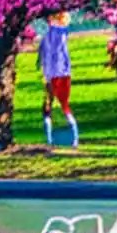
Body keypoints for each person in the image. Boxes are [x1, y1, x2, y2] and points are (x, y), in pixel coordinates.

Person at [38, 11, 78, 148]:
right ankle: (72, 138)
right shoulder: (59, 33)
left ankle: (52, 139)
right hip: (62, 73)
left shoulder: (51, 34)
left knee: (50, 106)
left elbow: (45, 56)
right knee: (62, 105)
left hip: (54, 74)